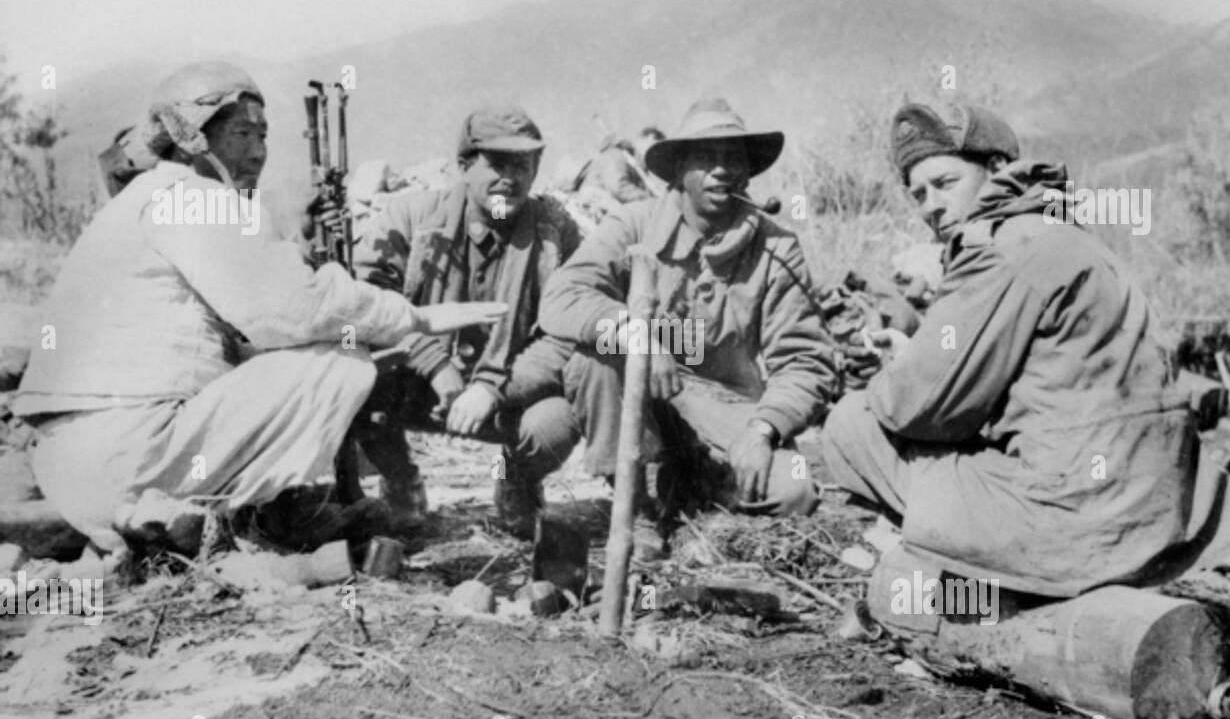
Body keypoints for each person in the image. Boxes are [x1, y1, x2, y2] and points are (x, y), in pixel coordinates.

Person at [12, 61, 503, 553]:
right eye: (241, 132)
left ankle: (202, 517)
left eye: (264, 134)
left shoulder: (146, 197)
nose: (258, 151)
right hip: (133, 455)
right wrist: (412, 318)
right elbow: (288, 311)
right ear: (192, 137)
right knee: (341, 362)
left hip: (72, 465)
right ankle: (243, 515)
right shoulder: (194, 197)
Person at [820, 101, 1230, 631]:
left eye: (944, 182)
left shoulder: (1000, 246)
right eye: (918, 194)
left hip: (1078, 521)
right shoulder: (1068, 237)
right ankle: (983, 578)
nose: (930, 205)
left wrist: (899, 364)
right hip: (1160, 518)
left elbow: (914, 409)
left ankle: (975, 596)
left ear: (998, 169)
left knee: (851, 424)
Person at [539, 97, 838, 530]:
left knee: (793, 493)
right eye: (706, 157)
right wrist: (638, 337)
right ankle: (637, 507)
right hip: (636, 388)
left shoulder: (777, 247)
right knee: (593, 358)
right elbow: (564, 294)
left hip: (724, 404)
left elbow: (806, 360)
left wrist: (762, 431)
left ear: (748, 171)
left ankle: (688, 481)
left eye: (733, 158)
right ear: (680, 169)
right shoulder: (633, 223)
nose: (721, 170)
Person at [351, 105, 584, 536]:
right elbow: (365, 303)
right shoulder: (412, 219)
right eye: (496, 164)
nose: (509, 179)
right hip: (419, 386)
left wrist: (491, 387)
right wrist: (434, 362)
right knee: (348, 370)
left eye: (522, 165)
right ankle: (400, 479)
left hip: (511, 392)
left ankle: (516, 481)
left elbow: (567, 331)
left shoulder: (555, 235)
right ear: (464, 165)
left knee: (557, 420)